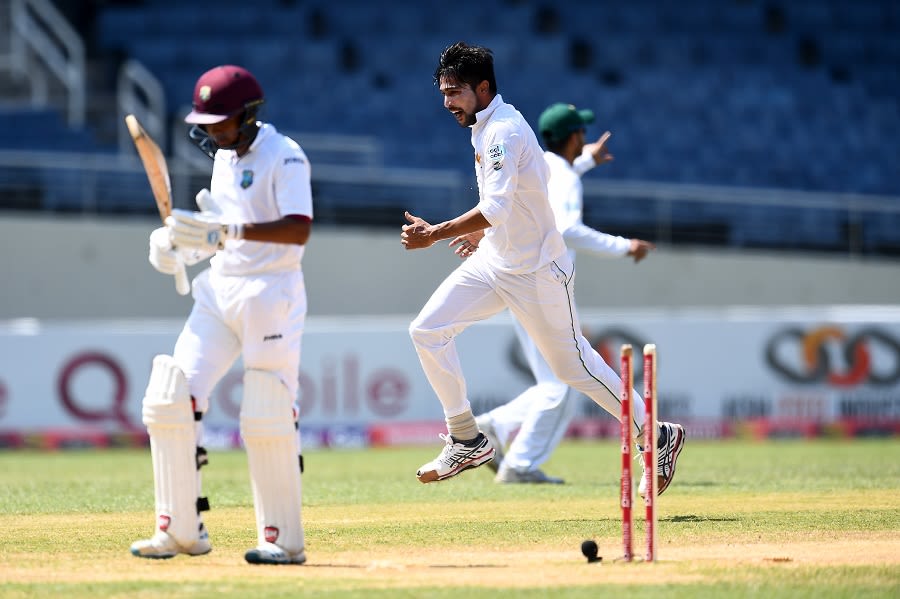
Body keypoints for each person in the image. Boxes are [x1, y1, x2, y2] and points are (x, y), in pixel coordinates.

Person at [401, 42, 684, 497]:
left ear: (483, 87)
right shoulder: (484, 125)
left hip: (538, 272)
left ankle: (656, 435)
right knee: (427, 330)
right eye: (443, 93)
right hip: (496, 262)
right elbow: (524, 193)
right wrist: (482, 233)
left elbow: (495, 205)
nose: (446, 102)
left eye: (454, 92)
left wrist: (436, 233)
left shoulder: (504, 131)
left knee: (573, 370)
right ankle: (466, 438)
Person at [130, 65, 313, 565]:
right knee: (171, 397)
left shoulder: (285, 155)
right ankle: (181, 530)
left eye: (220, 122)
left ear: (250, 116)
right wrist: (180, 248)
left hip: (271, 293)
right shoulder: (226, 159)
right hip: (220, 291)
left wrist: (227, 233)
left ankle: (283, 540)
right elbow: (217, 230)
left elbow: (297, 230)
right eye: (205, 122)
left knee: (266, 407)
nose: (211, 132)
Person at [475, 103, 656, 484]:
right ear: (574, 137)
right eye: (582, 133)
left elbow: (559, 176)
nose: (585, 139)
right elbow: (568, 228)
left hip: (516, 278)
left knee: (553, 381)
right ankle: (520, 465)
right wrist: (624, 246)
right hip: (542, 286)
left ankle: (492, 427)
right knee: (562, 383)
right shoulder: (565, 176)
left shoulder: (539, 162)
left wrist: (585, 162)